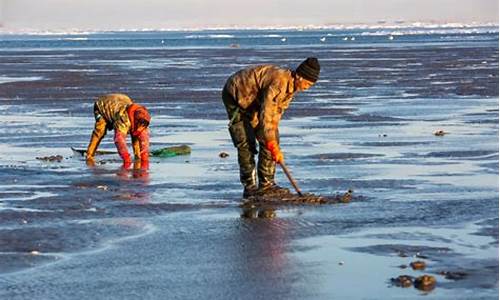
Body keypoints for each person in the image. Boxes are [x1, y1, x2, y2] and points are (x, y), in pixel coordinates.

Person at [222, 57, 320, 197]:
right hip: (236, 95)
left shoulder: (291, 88)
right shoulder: (279, 83)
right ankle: (250, 187)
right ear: (299, 77)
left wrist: (273, 142)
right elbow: (267, 113)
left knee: (271, 139)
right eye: (308, 83)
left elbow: (275, 116)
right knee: (246, 142)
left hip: (255, 100)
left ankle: (267, 184)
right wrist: (271, 142)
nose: (307, 88)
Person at [86, 93, 151, 168]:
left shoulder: (143, 119)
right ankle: (89, 155)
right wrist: (126, 158)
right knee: (100, 131)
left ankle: (137, 156)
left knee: (135, 133)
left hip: (122, 100)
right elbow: (119, 140)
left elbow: (143, 137)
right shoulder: (123, 119)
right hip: (102, 105)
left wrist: (144, 156)